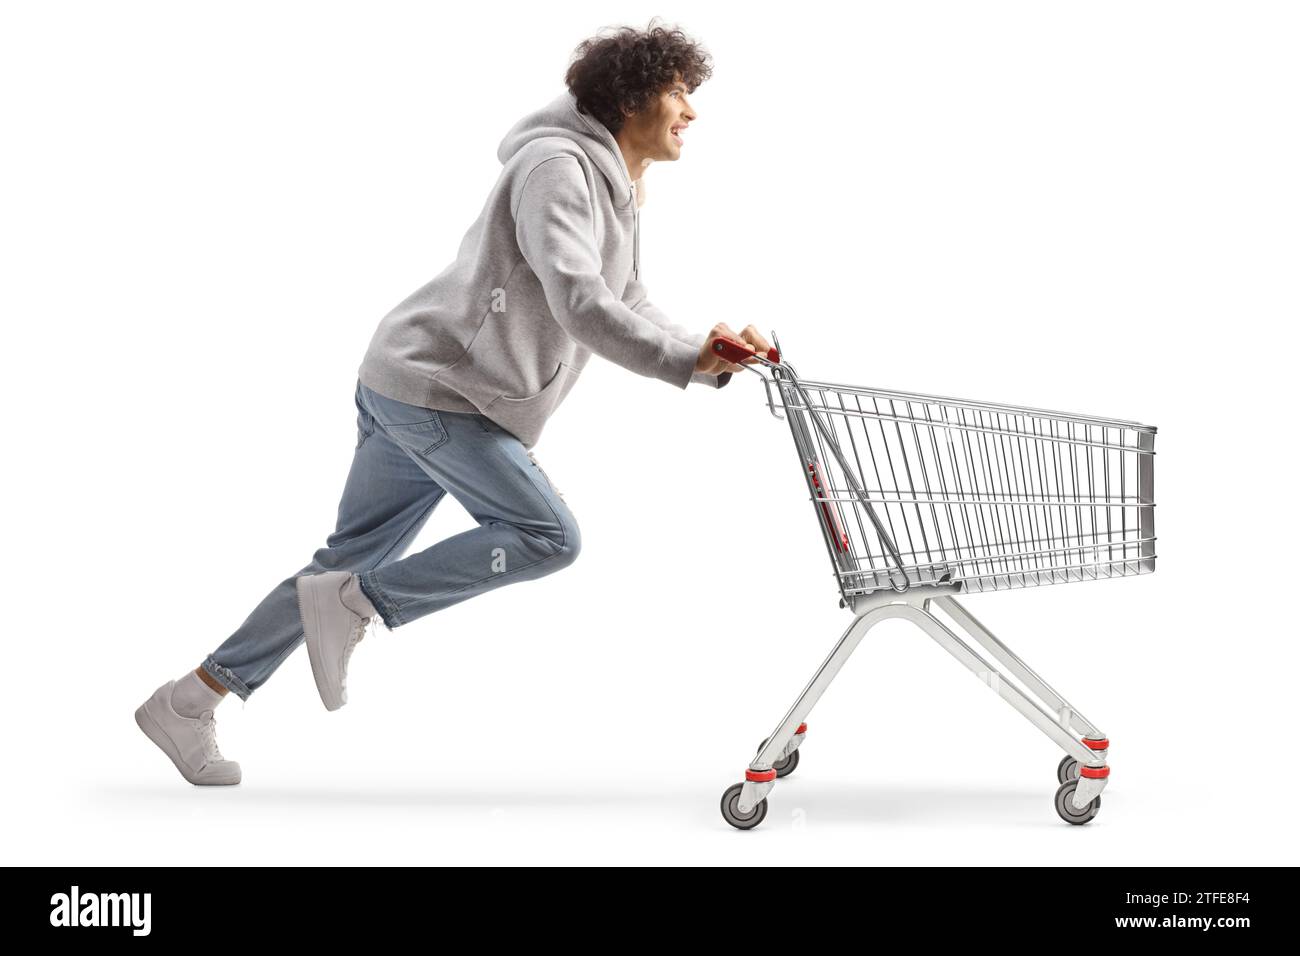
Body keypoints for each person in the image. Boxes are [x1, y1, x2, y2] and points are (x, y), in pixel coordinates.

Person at [135, 20, 771, 785]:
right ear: (632, 96)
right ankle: (362, 602)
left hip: (416, 382)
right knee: (546, 536)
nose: (691, 112)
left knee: (337, 567)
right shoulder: (557, 169)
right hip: (439, 395)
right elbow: (579, 301)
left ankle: (191, 700)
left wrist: (701, 351)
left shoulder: (615, 181)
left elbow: (626, 295)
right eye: (679, 92)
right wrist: (680, 358)